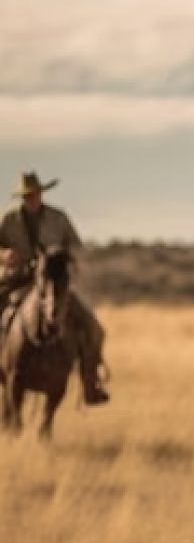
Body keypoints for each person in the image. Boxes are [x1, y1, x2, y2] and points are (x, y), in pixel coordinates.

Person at [0, 171, 109, 404]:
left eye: (35, 194)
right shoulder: (9, 221)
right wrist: (4, 255)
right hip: (17, 280)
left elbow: (77, 248)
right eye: (27, 195)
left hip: (54, 284)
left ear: (41, 193)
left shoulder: (58, 219)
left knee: (93, 329)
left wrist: (65, 261)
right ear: (22, 197)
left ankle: (90, 384)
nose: (32, 198)